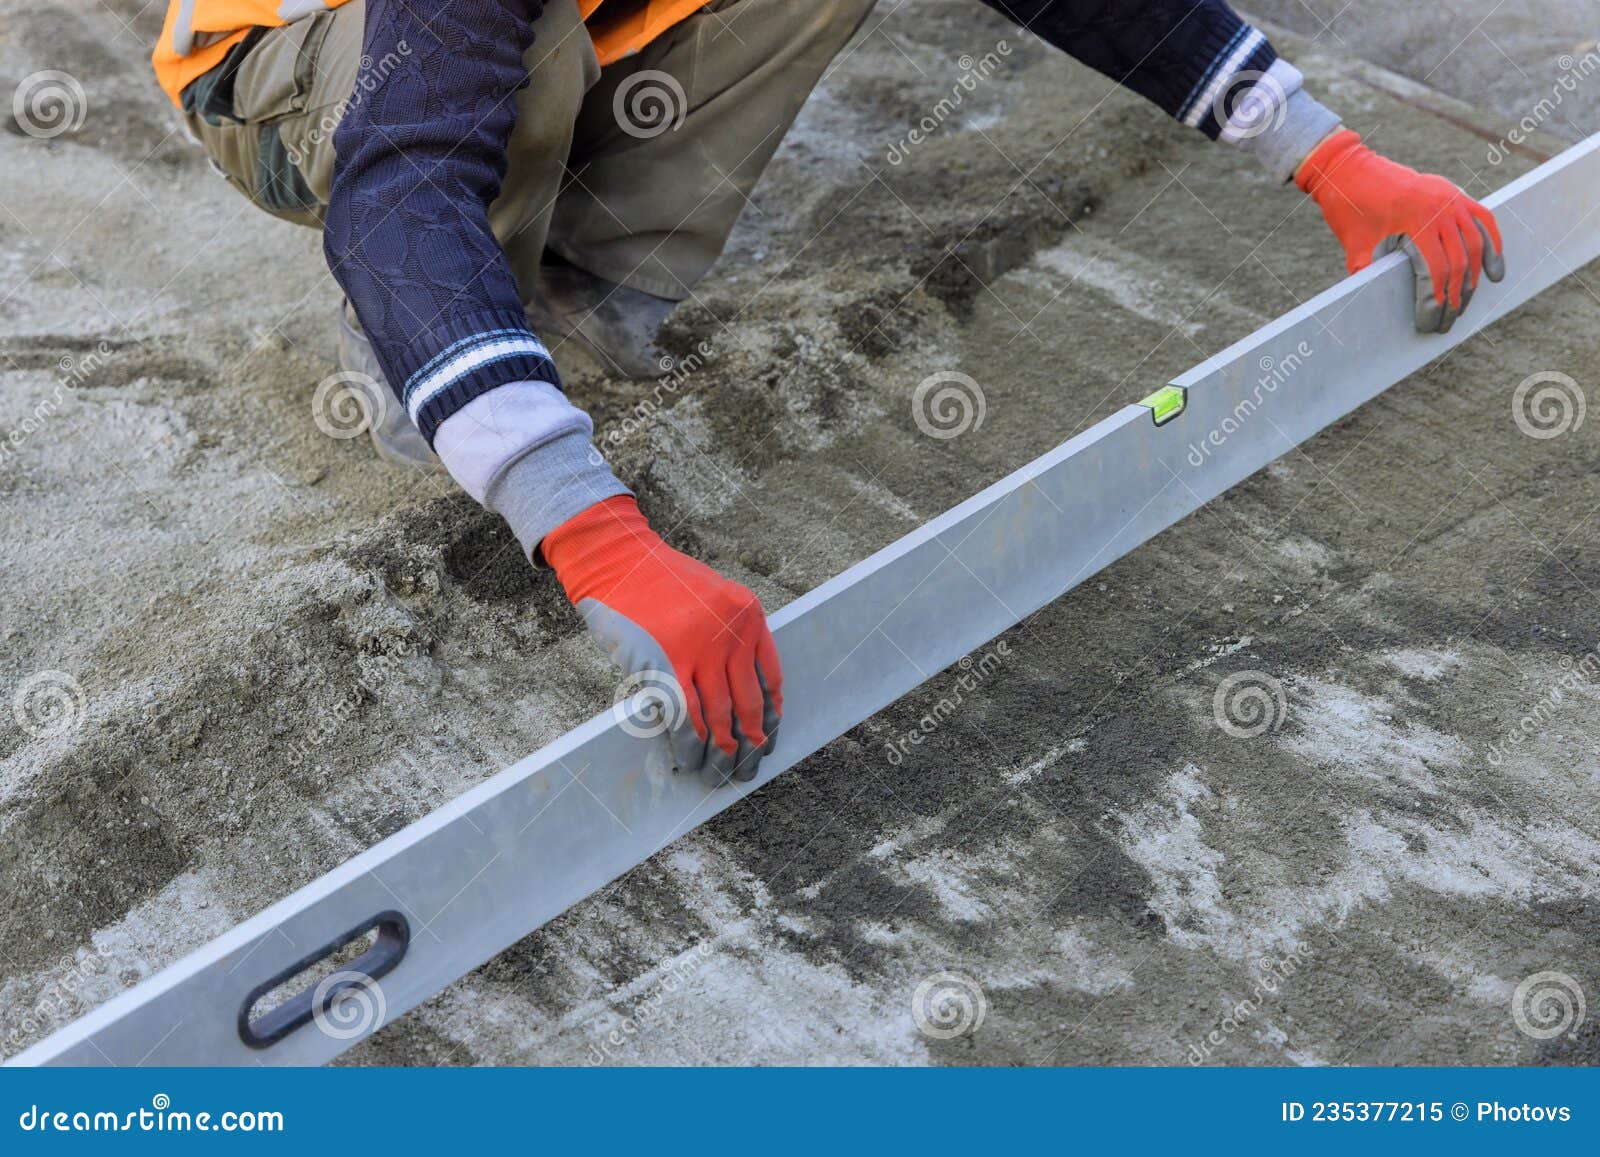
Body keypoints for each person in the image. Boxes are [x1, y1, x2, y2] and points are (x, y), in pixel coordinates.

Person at [154, 0, 1505, 787]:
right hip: (291, 62)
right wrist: (593, 532)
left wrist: (1325, 156)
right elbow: (403, 175)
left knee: (556, 53)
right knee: (523, 73)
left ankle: (541, 305)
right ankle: (429, 363)